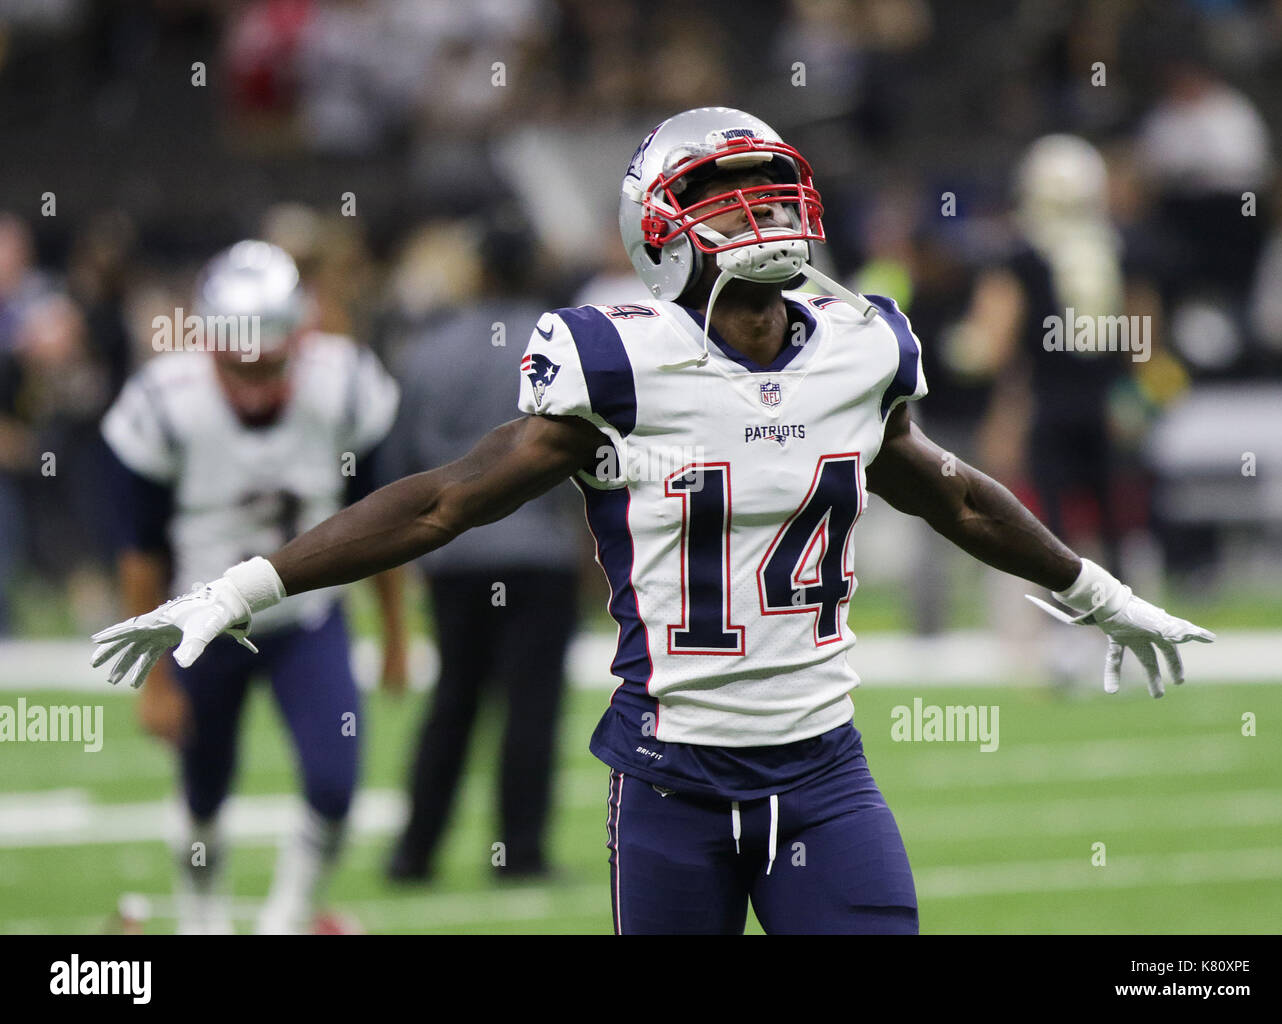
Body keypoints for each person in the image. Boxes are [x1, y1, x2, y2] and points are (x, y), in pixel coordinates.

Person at [92, 109, 1214, 935]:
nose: (763, 210)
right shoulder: (616, 363)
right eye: (730, 192)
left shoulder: (863, 344)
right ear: (661, 230)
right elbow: (441, 499)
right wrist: (240, 587)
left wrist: (1096, 595)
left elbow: (953, 490)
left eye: (771, 186)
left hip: (824, 771)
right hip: (671, 779)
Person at [98, 240, 406, 934]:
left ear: (302, 335)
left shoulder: (345, 382)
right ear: (208, 344)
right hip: (201, 622)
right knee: (203, 791)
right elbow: (140, 551)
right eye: (242, 362)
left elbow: (385, 519)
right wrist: (155, 680)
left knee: (334, 782)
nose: (259, 379)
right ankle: (202, 918)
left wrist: (393, 635)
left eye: (272, 359)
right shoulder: (164, 402)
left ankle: (287, 920)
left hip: (306, 617)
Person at [384, 210, 584, 883]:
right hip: (539, 552)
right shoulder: (562, 341)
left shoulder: (426, 347)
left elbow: (400, 459)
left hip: (453, 552)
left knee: (453, 702)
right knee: (531, 707)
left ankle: (415, 851)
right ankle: (519, 852)